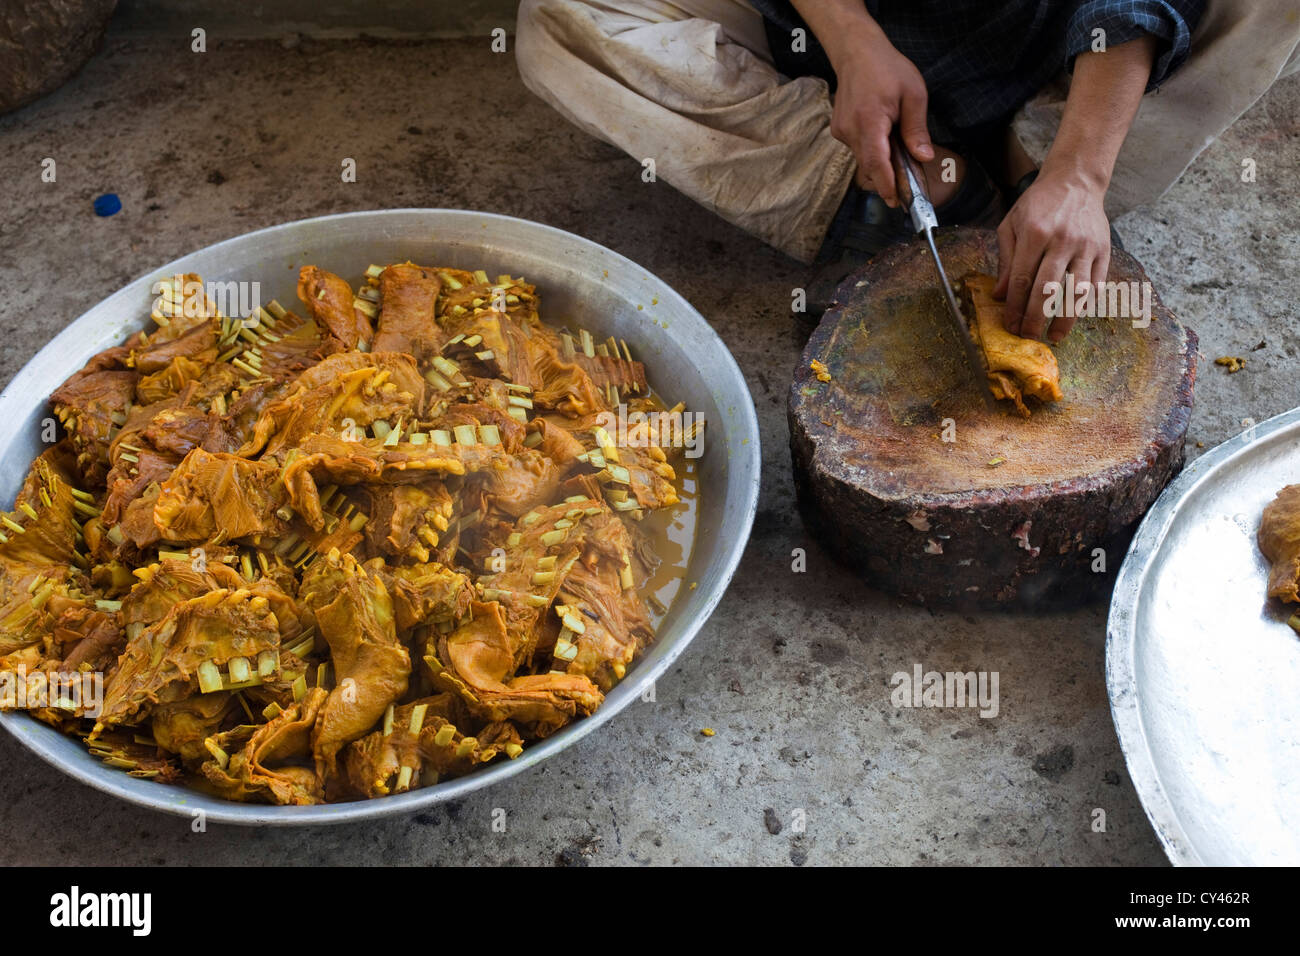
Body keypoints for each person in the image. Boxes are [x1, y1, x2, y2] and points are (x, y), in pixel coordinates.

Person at [515, 1, 1299, 341]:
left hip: (1068, 44)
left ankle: (1043, 169)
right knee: (562, 21)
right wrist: (851, 36)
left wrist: (1083, 173)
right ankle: (923, 184)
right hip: (837, 41)